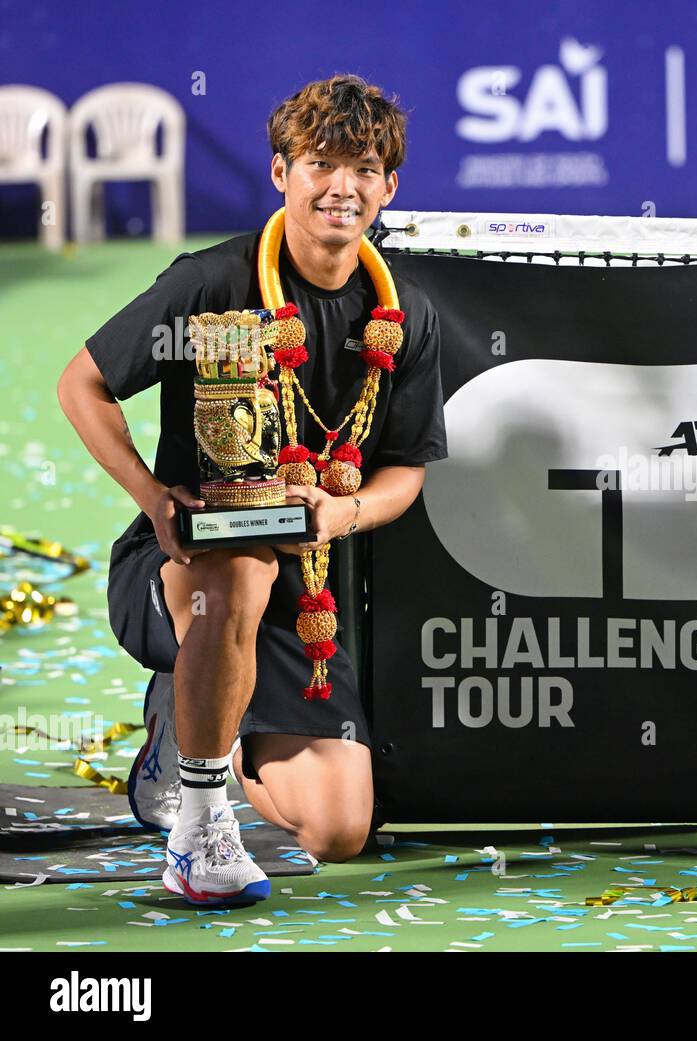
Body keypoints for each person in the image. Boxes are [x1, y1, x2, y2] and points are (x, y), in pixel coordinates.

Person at [56, 75, 446, 904]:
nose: (343, 186)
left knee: (339, 832)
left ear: (390, 187)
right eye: (321, 163)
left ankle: (202, 733)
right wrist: (156, 499)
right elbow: (80, 384)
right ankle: (197, 829)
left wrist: (345, 509)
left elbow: (405, 471)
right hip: (181, 570)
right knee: (240, 571)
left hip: (308, 601)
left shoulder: (406, 314)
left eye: (365, 168)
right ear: (281, 173)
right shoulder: (208, 282)